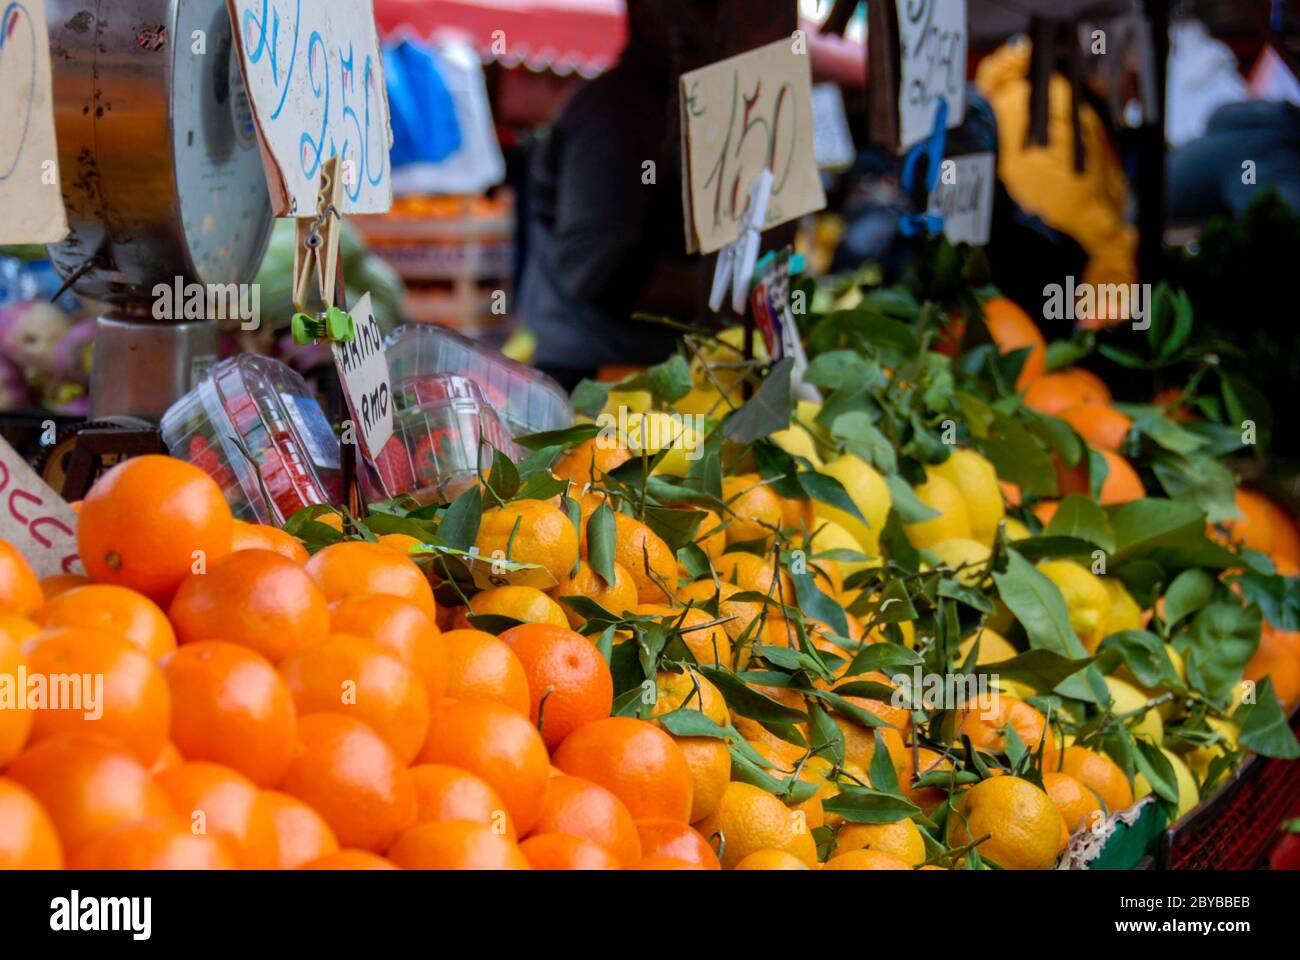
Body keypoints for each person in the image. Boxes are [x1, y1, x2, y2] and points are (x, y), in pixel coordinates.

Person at [518, 0, 705, 387]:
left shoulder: (676, 100)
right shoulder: (619, 110)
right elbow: (600, 269)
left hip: (649, 375)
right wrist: (717, 290)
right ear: (649, 14)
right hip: (600, 377)